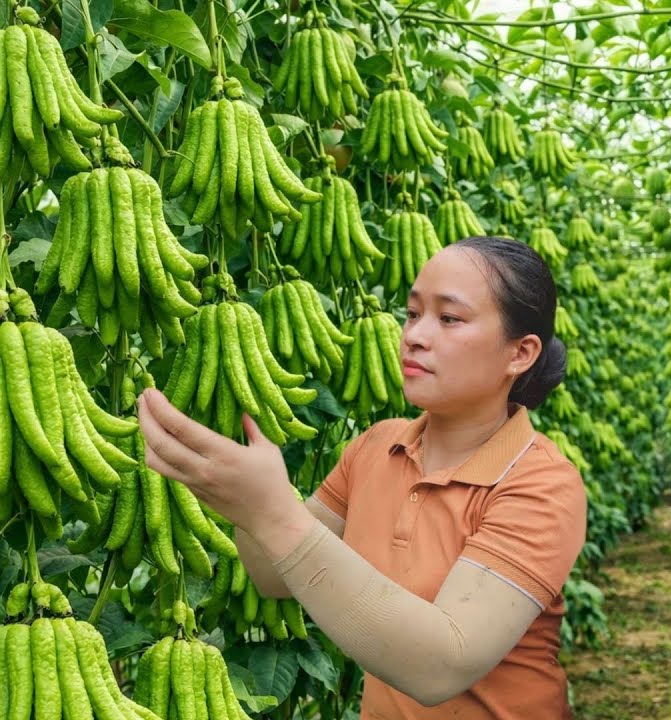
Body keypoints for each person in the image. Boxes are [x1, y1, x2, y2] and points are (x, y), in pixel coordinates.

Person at [135, 237, 587, 720]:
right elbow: (272, 575)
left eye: (449, 318)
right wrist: (240, 497)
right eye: (412, 314)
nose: (414, 335)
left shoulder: (541, 483)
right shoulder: (376, 446)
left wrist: (273, 511)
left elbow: (443, 667)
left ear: (520, 353)